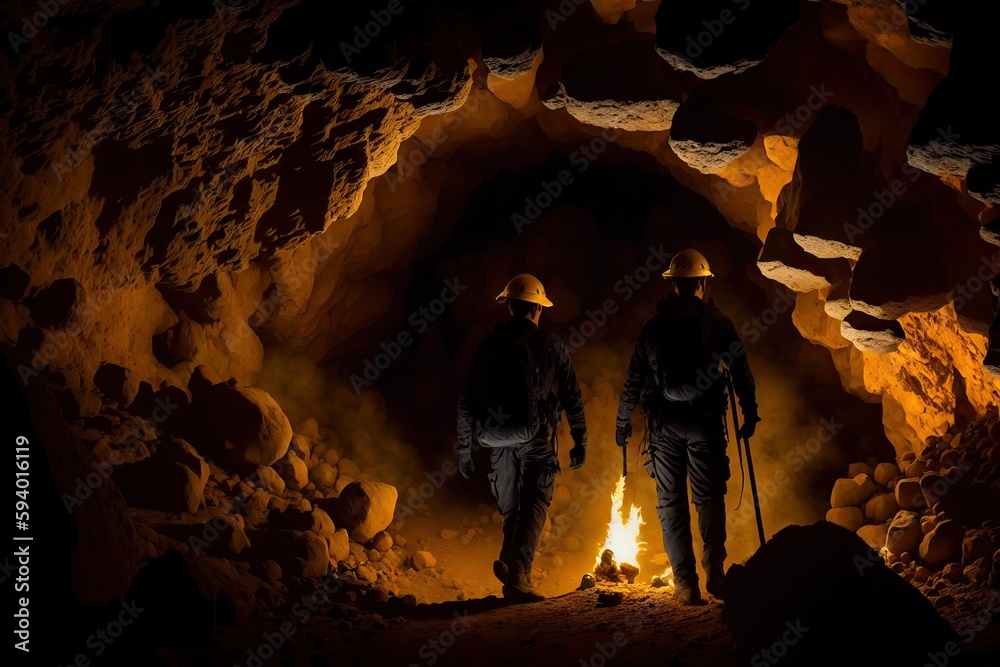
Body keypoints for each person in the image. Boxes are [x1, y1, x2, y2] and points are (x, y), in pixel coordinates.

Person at [615, 249, 759, 605]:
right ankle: (714, 563)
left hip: (664, 427)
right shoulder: (718, 321)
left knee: (671, 503)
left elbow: (633, 381)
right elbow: (740, 370)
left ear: (673, 284)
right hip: (705, 422)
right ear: (702, 283)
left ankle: (685, 582)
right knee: (709, 497)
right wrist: (750, 412)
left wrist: (622, 424)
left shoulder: (652, 328)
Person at [457, 273, 588, 602]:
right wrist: (580, 439)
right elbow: (571, 395)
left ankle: (507, 560)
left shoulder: (488, 345)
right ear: (536, 309)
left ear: (509, 307)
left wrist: (464, 449)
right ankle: (519, 572)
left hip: (495, 437)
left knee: (511, 507)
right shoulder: (550, 344)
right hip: (534, 435)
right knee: (535, 500)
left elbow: (466, 400)